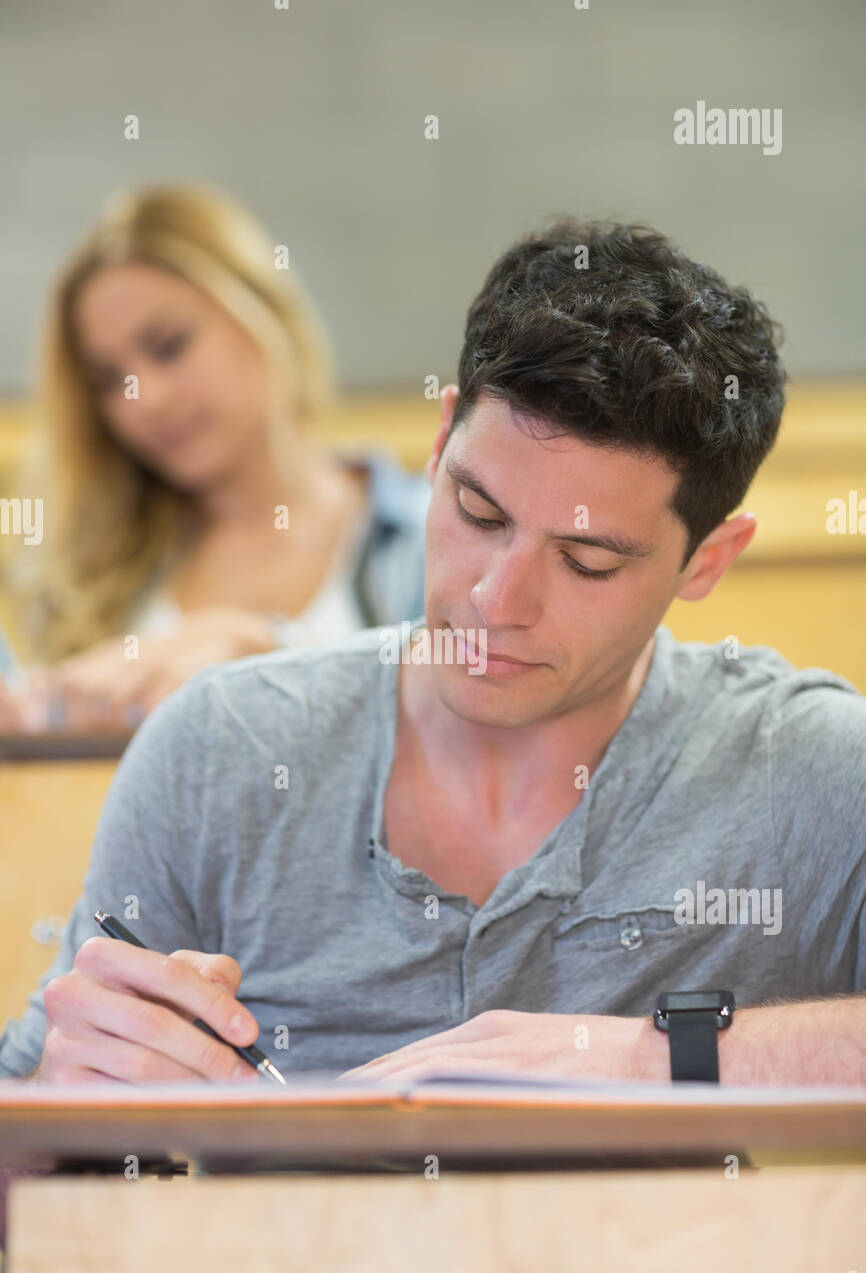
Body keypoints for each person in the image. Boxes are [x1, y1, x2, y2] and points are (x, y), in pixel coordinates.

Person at [1, 218, 864, 1087]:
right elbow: (20, 1149)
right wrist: (58, 1115)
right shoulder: (218, 752)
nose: (496, 601)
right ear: (442, 441)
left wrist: (652, 1056)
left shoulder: (804, 770)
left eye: (586, 561)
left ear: (707, 559)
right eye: (478, 515)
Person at [0, 183, 427, 732]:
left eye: (169, 345)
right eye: (108, 380)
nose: (144, 400)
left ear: (259, 311)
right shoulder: (82, 577)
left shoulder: (429, 537)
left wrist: (265, 648)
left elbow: (470, 731)